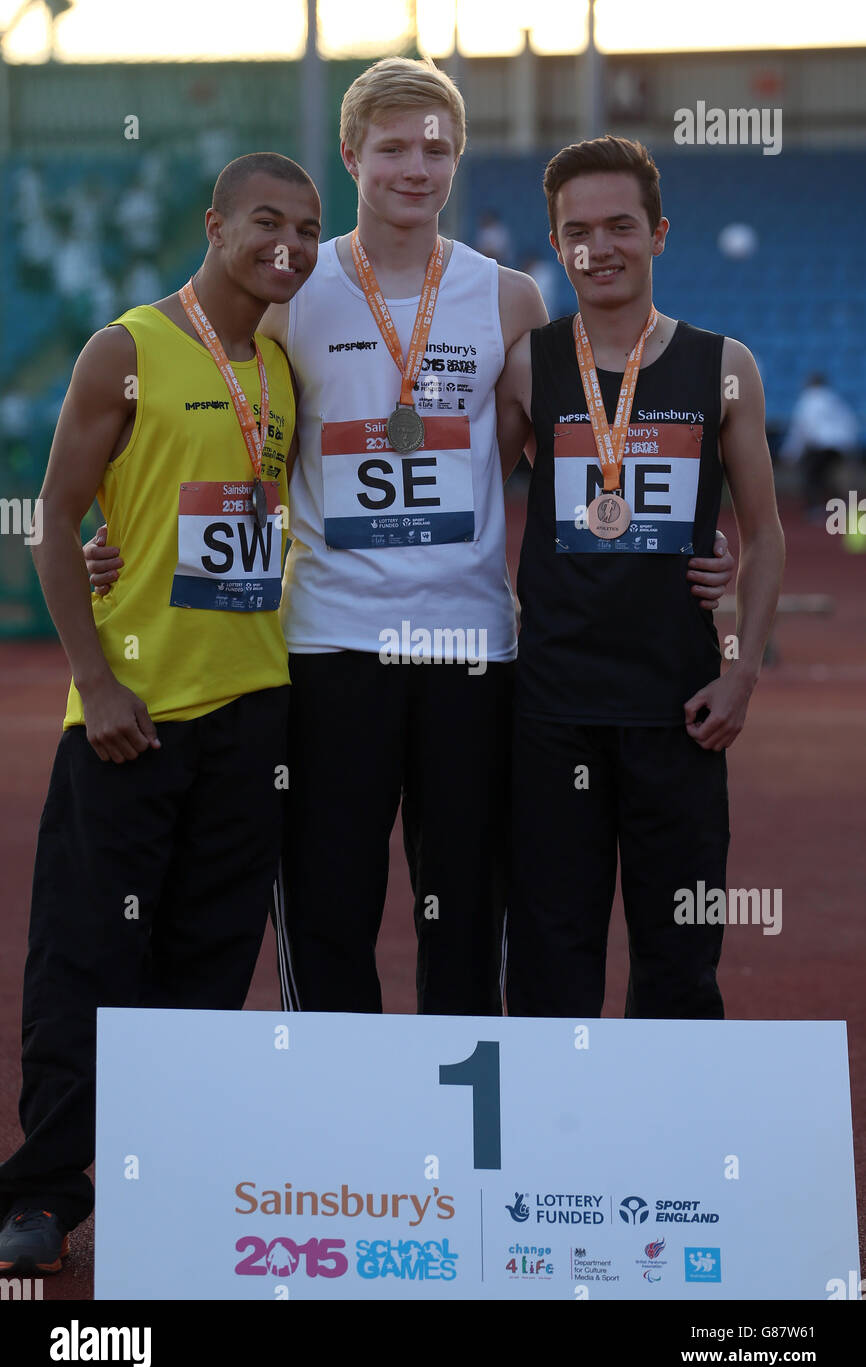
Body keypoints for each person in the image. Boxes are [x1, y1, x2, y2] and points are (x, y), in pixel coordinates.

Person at [87, 60, 734, 1020]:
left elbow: (554, 451)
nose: (415, 167)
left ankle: (460, 1128)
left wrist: (682, 543)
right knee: (327, 902)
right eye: (393, 148)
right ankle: (344, 1115)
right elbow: (235, 435)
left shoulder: (509, 297)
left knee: (469, 904)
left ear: (457, 159)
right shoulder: (290, 297)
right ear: (352, 155)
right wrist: (121, 534)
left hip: (469, 647)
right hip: (328, 643)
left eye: (436, 148)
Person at [0, 153, 321, 1275]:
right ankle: (43, 1190)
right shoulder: (126, 350)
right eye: (266, 222)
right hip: (131, 717)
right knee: (87, 958)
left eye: (307, 229)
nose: (288, 244)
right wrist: (96, 681)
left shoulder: (280, 366)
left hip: (253, 712)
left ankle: (158, 1176)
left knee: (207, 957)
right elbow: (54, 520)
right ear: (216, 226)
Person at [496, 136, 785, 1019]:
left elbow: (765, 532)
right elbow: (467, 519)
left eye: (621, 225)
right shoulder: (527, 365)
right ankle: (553, 1152)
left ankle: (672, 1155)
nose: (600, 247)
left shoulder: (722, 367)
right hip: (551, 708)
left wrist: (741, 673)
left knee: (679, 960)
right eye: (578, 230)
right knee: (552, 954)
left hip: (680, 709)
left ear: (659, 233)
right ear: (557, 244)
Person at [779, 372, 859, 521]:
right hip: (840, 444)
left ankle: (815, 508)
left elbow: (801, 429)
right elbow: (849, 422)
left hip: (819, 444)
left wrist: (790, 454)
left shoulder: (808, 399)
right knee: (831, 475)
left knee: (812, 476)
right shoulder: (833, 398)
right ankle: (842, 506)